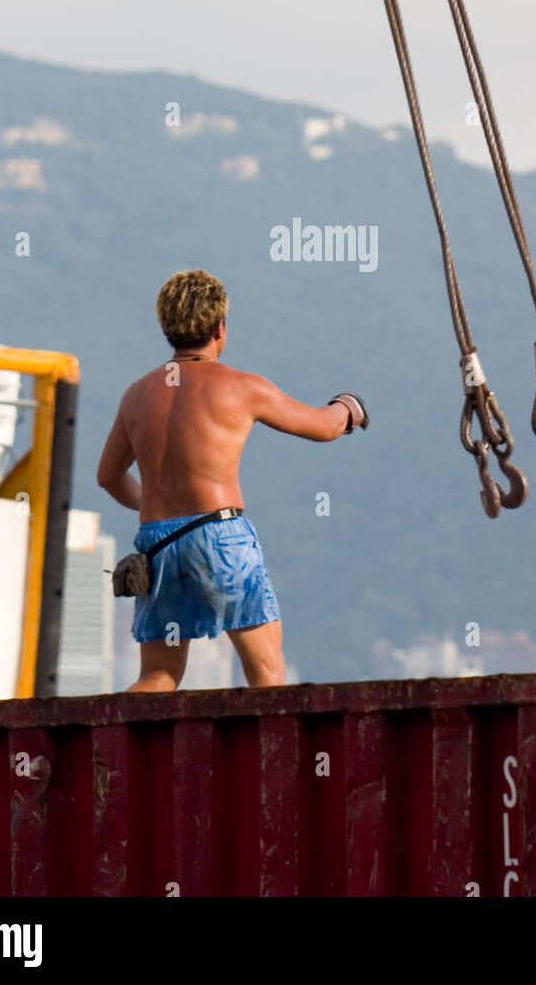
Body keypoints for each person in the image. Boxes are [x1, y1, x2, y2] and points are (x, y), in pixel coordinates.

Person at [97, 268, 367, 691]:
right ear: (220, 328)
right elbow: (323, 426)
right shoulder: (240, 386)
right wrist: (349, 408)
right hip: (218, 535)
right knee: (266, 671)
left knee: (158, 675)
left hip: (158, 543)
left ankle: (112, 733)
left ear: (167, 327)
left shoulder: (136, 395)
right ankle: (275, 739)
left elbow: (108, 477)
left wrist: (153, 502)